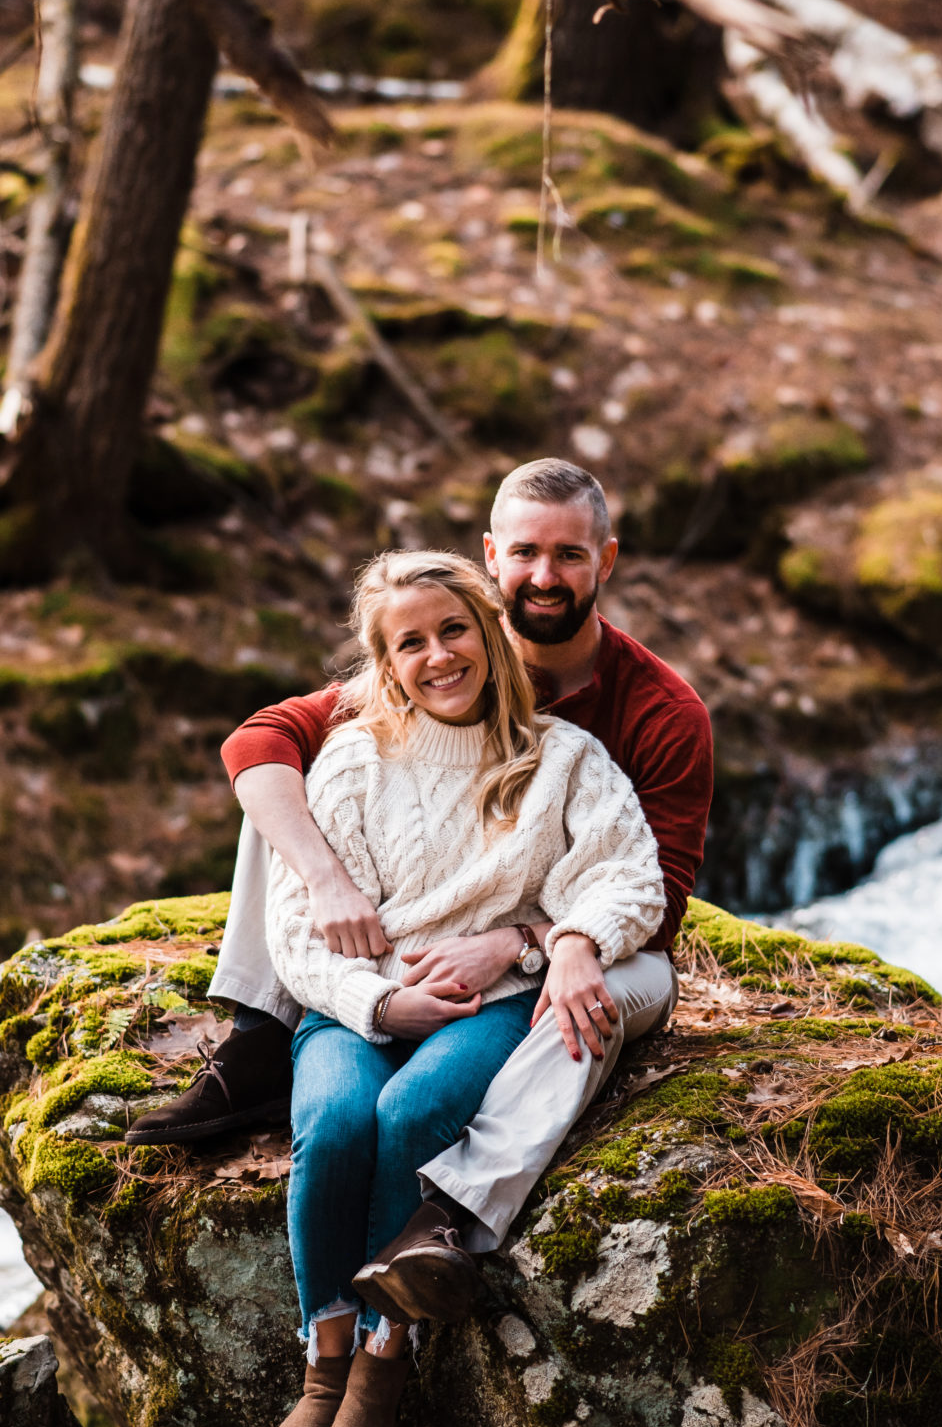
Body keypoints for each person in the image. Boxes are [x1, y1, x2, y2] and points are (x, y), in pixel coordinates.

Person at [128, 458, 713, 1299]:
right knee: (286, 787)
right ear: (491, 557)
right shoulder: (440, 652)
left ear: (606, 560)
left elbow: (656, 901)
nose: (544, 576)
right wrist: (327, 882)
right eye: (524, 553)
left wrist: (529, 943)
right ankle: (260, 1037)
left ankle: (452, 1209)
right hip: (425, 941)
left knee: (589, 996)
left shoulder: (657, 712)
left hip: (596, 940)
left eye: (569, 555)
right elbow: (255, 740)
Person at [250, 548, 664, 1427]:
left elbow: (628, 878)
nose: (437, 656)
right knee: (335, 1120)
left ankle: (381, 1365)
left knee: (415, 1112)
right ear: (384, 663)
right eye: (410, 643)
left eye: (453, 630)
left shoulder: (561, 758)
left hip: (491, 1001)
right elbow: (297, 934)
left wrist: (558, 942)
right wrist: (380, 1002)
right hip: (358, 999)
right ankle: (323, 1366)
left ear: (488, 633)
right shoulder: (352, 761)